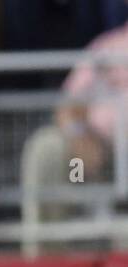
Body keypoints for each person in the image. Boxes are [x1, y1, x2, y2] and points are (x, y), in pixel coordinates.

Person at [19, 13, 128, 253]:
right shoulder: (107, 47)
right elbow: (69, 105)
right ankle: (45, 255)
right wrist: (79, 132)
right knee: (46, 146)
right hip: (101, 153)